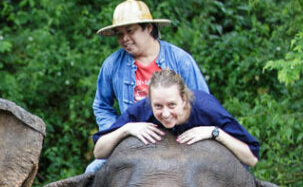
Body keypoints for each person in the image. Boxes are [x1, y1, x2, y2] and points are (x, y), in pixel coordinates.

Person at [87, 0, 209, 173]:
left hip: (179, 137)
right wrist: (117, 130)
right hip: (133, 139)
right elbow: (102, 105)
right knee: (93, 172)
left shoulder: (180, 60)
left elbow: (202, 101)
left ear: (148, 28)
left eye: (130, 31)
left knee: (226, 171)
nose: (124, 39)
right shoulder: (112, 65)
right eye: (119, 34)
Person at [93, 69, 259, 167]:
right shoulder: (143, 110)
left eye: (172, 105)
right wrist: (126, 128)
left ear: (184, 99)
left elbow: (251, 159)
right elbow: (99, 152)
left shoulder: (207, 109)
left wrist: (214, 133)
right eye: (158, 106)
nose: (165, 114)